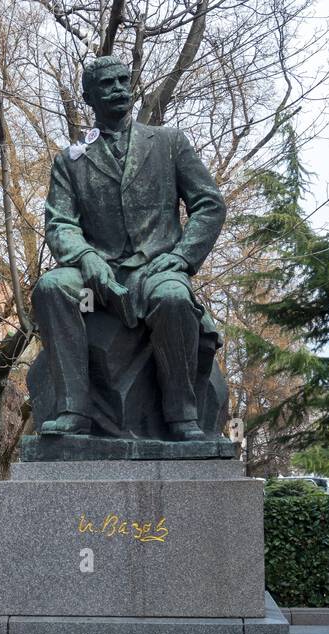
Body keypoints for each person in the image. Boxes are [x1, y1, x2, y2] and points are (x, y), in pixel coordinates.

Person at [34, 55, 226, 440]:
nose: (119, 89)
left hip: (156, 269)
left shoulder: (169, 143)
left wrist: (181, 257)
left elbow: (209, 203)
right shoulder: (72, 161)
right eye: (107, 84)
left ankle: (182, 415)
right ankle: (74, 408)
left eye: (124, 80)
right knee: (51, 287)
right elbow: (60, 222)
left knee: (173, 297)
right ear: (88, 96)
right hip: (96, 271)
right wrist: (86, 257)